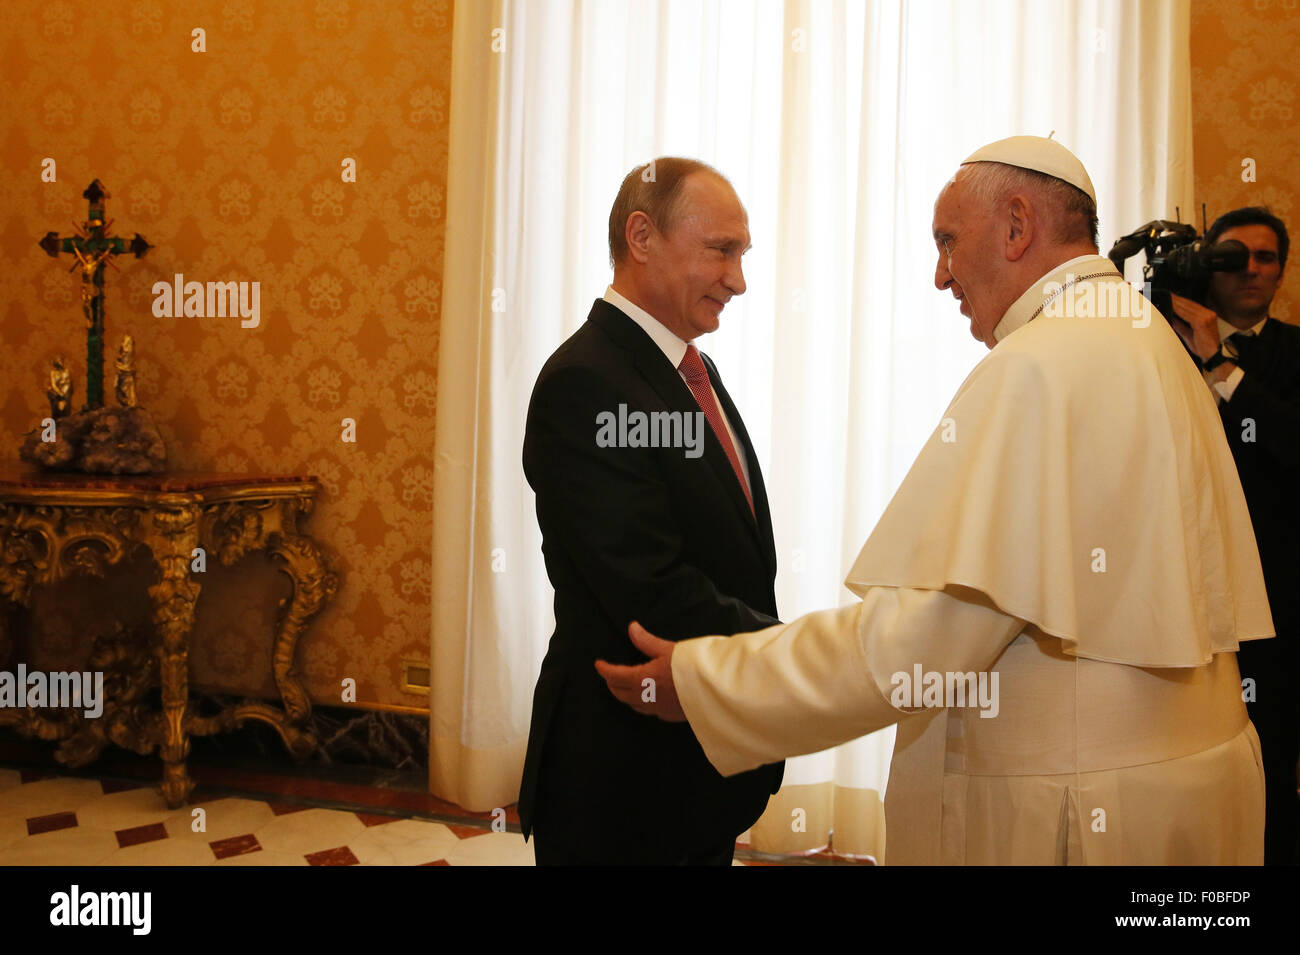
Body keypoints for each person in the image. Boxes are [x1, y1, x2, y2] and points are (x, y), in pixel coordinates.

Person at [596, 136, 1274, 865]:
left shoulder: (1040, 365)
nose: (940, 274)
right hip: (1191, 788)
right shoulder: (1151, 337)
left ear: (1017, 225)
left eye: (948, 241)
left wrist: (708, 683)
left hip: (1078, 808)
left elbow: (922, 637)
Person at [518, 157, 784, 864]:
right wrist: (793, 657)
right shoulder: (587, 383)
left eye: (742, 254)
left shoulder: (685, 368)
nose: (738, 279)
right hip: (625, 780)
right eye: (720, 251)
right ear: (642, 236)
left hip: (689, 763)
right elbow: (651, 589)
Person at [1168, 207, 1299, 865]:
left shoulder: (1296, 352)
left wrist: (1220, 363)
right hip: (1177, 596)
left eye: (1267, 256)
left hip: (1277, 606)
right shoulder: (1156, 353)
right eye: (1234, 256)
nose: (1251, 268)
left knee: (1271, 768)